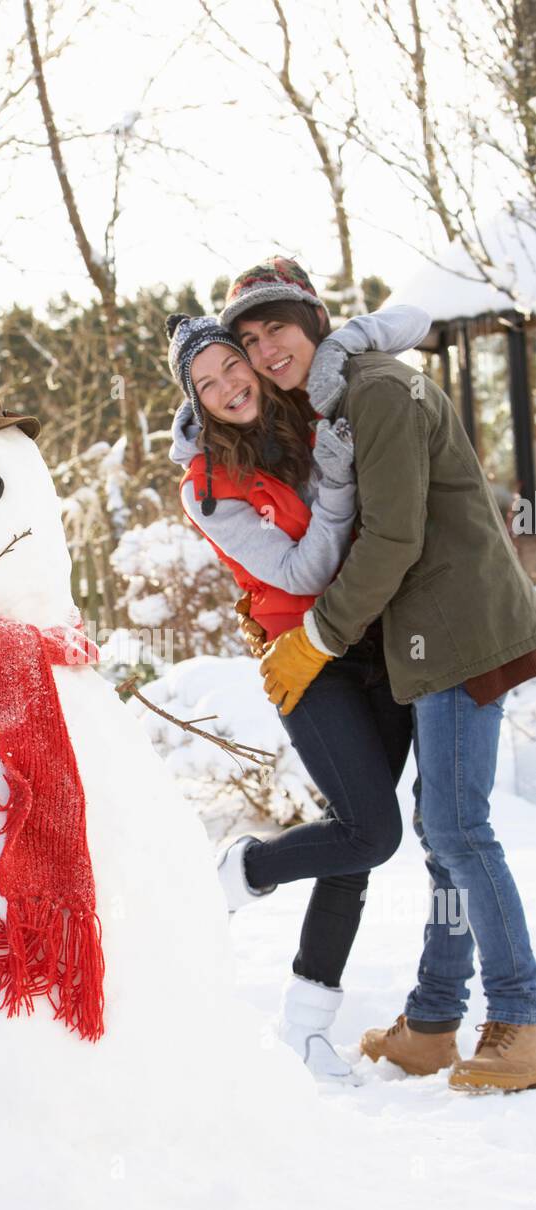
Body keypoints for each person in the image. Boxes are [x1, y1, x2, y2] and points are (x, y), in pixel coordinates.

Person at [221, 253, 536, 1093]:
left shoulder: (375, 390)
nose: (265, 349)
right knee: (441, 833)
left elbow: (393, 539)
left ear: (314, 321)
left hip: (458, 626)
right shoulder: (338, 402)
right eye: (248, 339)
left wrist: (318, 637)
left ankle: (521, 1014)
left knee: (459, 830)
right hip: (426, 633)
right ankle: (435, 1018)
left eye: (276, 327)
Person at [167, 298, 430, 1080]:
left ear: (250, 363)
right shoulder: (206, 485)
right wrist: (341, 481)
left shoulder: (308, 410)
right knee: (371, 833)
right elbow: (301, 571)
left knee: (352, 838)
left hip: (374, 644)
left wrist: (343, 338)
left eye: (231, 366)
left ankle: (308, 1024)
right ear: (194, 400)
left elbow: (410, 319)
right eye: (206, 383)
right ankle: (245, 870)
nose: (226, 386)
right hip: (303, 660)